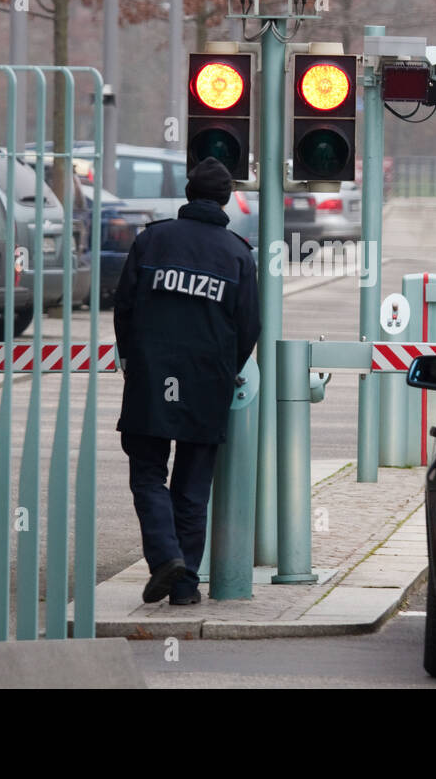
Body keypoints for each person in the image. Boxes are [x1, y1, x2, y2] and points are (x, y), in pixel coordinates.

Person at [114, 158, 261, 605]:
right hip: (206, 384)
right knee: (192, 489)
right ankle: (183, 585)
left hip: (151, 380)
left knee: (148, 476)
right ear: (225, 200)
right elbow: (248, 326)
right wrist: (224, 369)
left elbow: (124, 309)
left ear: (186, 192)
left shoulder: (152, 240)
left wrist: (134, 360)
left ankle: (165, 559)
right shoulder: (237, 254)